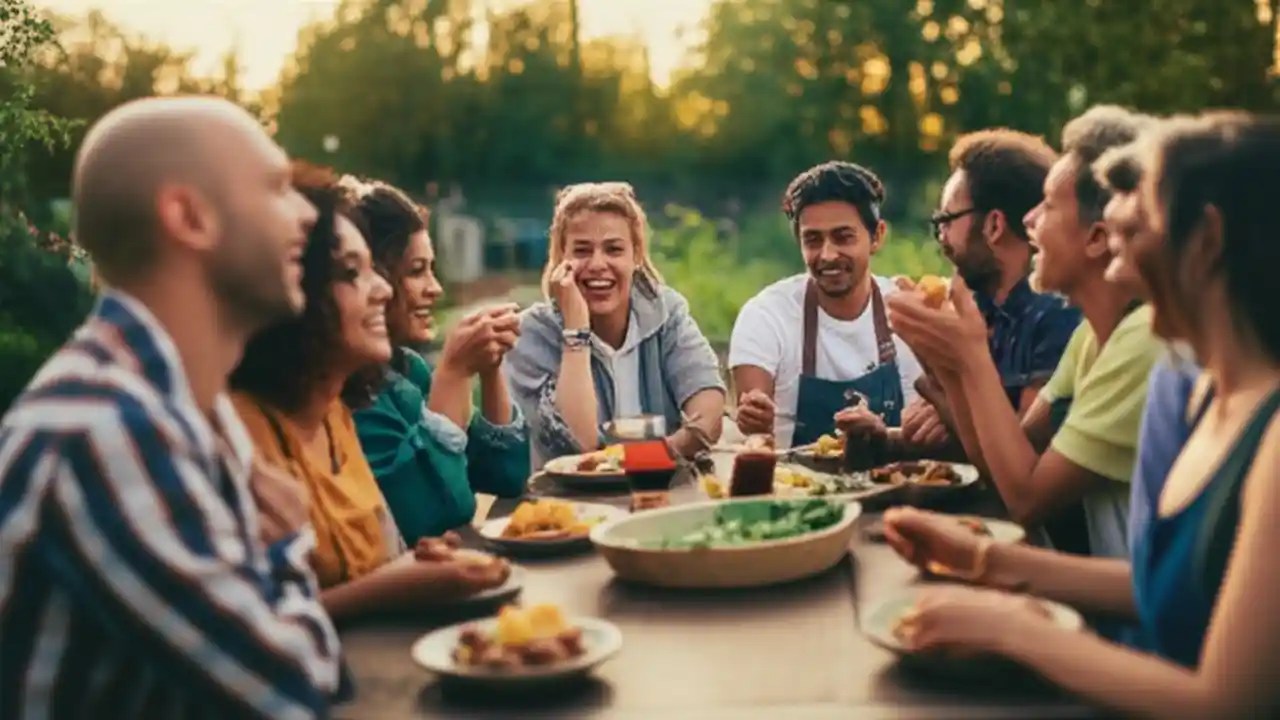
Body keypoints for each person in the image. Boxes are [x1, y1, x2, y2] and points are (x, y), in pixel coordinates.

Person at [881, 112, 1280, 718]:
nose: (1115, 265)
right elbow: (1157, 586)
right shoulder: (1201, 394)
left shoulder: (1269, 435)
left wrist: (1014, 626)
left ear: (1206, 241)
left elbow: (1225, 701)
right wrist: (987, 561)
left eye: (1135, 231)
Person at [0, 97, 342, 717]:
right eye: (275, 188)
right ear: (188, 216)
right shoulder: (103, 429)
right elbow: (289, 691)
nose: (305, 214)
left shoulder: (182, 408)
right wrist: (287, 543)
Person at [231, 163, 509, 621]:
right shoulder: (243, 435)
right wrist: (400, 583)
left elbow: (386, 556)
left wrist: (420, 564)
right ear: (294, 292)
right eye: (352, 272)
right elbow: (253, 626)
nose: (383, 287)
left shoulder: (334, 412)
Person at [887, 106, 1160, 559]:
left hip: (1134, 619)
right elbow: (999, 462)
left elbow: (1026, 497)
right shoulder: (1090, 340)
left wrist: (967, 354)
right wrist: (944, 359)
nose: (1028, 221)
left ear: (1097, 238)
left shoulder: (1141, 341)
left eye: (1048, 206)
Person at [345, 178, 530, 541]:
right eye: (416, 271)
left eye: (432, 268)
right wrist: (454, 373)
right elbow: (433, 511)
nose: (436, 287)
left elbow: (505, 475)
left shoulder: (408, 370)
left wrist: (490, 370)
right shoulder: (354, 396)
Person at [504, 182, 725, 468]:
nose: (598, 264)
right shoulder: (531, 335)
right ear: (561, 259)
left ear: (636, 256)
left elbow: (708, 412)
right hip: (564, 501)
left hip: (656, 488)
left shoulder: (666, 313)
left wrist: (647, 460)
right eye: (582, 250)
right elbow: (577, 445)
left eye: (614, 249)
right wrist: (575, 331)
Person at [730, 161, 926, 448]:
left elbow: (931, 435)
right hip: (799, 488)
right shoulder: (766, 315)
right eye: (812, 240)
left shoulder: (909, 310)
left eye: (843, 237)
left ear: (877, 236)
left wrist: (882, 437)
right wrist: (754, 416)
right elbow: (758, 439)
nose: (828, 254)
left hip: (898, 484)